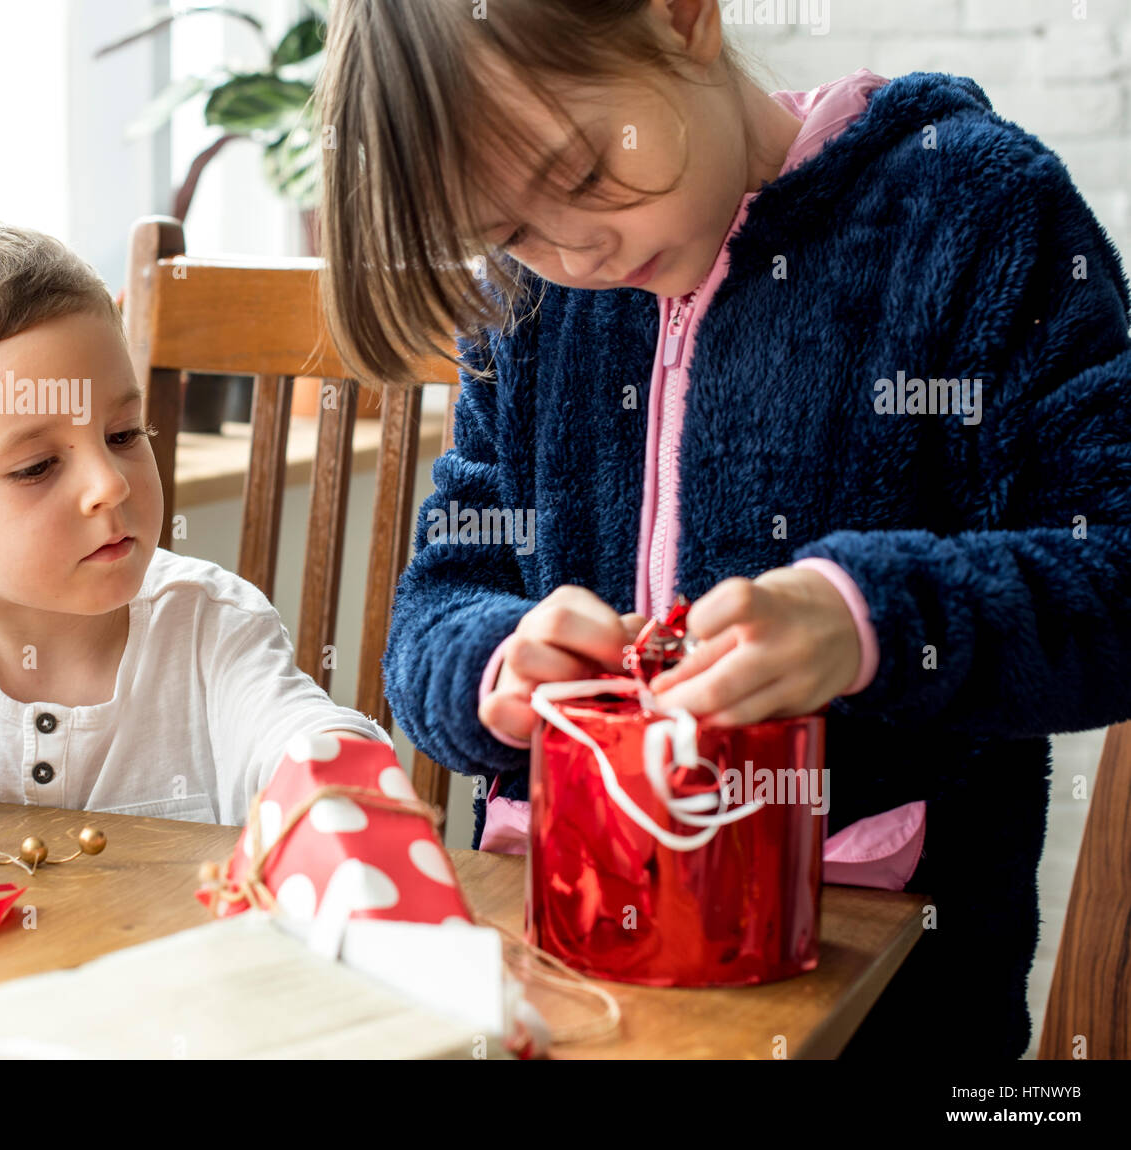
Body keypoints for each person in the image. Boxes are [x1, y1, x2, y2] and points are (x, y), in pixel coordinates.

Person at [315, 0, 1131, 1058]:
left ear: (681, 17)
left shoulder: (972, 214)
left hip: (885, 1010)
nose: (573, 251)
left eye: (576, 175)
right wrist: (495, 664)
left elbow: (1110, 571)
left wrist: (864, 619)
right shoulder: (526, 303)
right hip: (563, 990)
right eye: (506, 229)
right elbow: (432, 611)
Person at [0, 217, 390, 827]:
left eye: (123, 433)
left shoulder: (211, 628)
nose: (110, 483)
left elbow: (300, 734)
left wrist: (334, 763)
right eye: (37, 466)